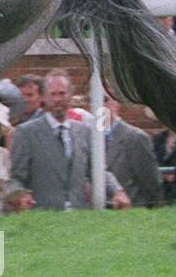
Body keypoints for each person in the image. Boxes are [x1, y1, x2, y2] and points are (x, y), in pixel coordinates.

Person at [8, 70, 130, 210]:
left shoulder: (85, 131)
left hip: (79, 215)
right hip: (43, 216)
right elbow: (16, 177)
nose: (57, 99)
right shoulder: (26, 133)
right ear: (44, 97)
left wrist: (117, 191)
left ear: (70, 94)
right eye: (52, 94)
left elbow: (98, 170)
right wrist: (20, 195)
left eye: (62, 93)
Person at [103, 92, 165, 208]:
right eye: (90, 100)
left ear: (116, 103)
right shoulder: (88, 137)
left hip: (131, 213)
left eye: (104, 99)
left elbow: (151, 183)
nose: (98, 104)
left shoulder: (135, 137)